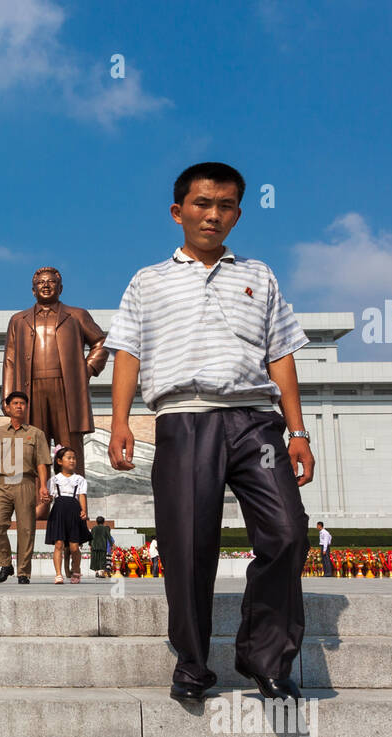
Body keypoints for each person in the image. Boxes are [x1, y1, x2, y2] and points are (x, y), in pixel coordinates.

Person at [105, 161, 314, 703]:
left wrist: (298, 432)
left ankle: (265, 657)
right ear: (178, 212)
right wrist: (120, 422)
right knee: (188, 545)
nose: (213, 215)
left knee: (288, 532)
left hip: (256, 423)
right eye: (202, 204)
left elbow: (282, 355)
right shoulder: (147, 280)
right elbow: (126, 352)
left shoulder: (260, 275)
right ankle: (193, 665)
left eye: (225, 206)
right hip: (183, 419)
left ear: (238, 214)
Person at [1, 267, 108, 477]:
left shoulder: (76, 315)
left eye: (51, 282)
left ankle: (72, 501)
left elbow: (101, 342)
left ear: (60, 287)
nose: (46, 285)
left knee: (69, 448)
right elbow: (10, 360)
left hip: (66, 389)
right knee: (34, 446)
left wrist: (86, 370)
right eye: (41, 282)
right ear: (33, 290)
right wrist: (7, 397)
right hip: (30, 390)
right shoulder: (18, 320)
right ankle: (38, 504)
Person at [0, 391, 49, 585]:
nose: (19, 406)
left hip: (26, 483)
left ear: (27, 407)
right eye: (15, 403)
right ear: (7, 407)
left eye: (23, 404)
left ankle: (23, 572)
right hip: (2, 484)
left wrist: (43, 486)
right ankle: (5, 563)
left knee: (26, 529)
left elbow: (42, 463)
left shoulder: (36, 434)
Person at [46, 446, 91, 584]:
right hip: (59, 511)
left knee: (74, 546)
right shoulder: (54, 480)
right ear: (59, 461)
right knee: (59, 544)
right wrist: (46, 499)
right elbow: (50, 497)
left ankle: (76, 570)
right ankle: (58, 574)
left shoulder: (79, 479)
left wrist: (84, 511)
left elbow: (82, 496)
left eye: (74, 458)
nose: (72, 461)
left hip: (74, 512)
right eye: (69, 458)